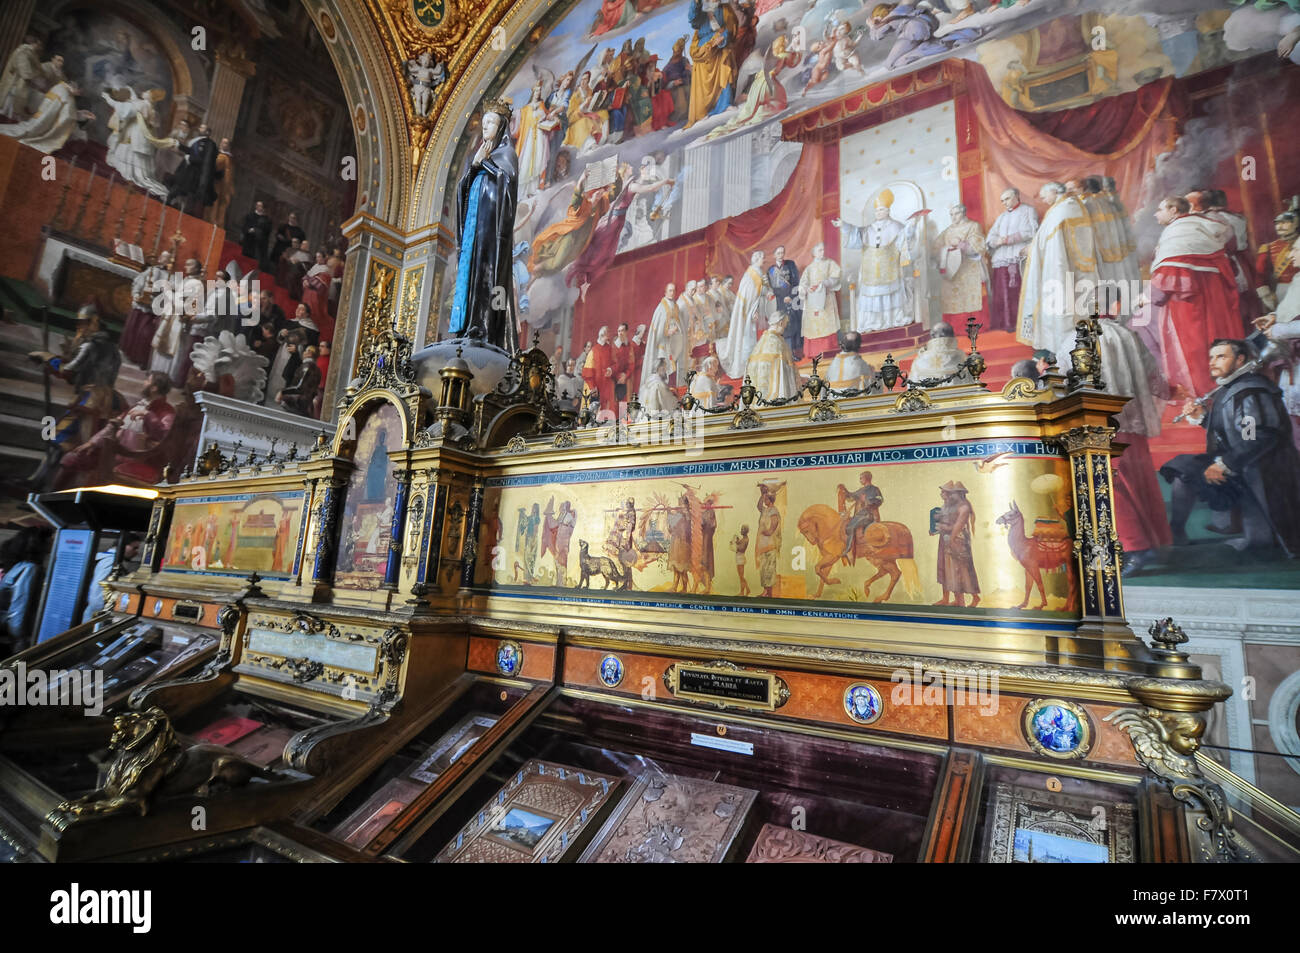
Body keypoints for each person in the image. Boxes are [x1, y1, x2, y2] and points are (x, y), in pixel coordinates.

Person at [1162, 339, 1300, 555]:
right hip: (1245, 462)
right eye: (1211, 357)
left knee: (1262, 546)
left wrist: (1225, 464)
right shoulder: (1230, 388)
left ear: (1240, 359)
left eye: (1221, 357)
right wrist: (1203, 419)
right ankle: (1176, 532)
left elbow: (1257, 438)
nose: (1212, 362)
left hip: (1264, 471)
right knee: (1183, 468)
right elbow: (1237, 434)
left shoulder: (1251, 391)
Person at [1063, 315, 1170, 572]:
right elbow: (1154, 377)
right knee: (1139, 482)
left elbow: (1066, 382)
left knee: (1110, 486)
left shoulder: (1073, 339)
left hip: (1099, 421)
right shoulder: (1127, 335)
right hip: (1132, 421)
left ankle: (1135, 547)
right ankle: (1152, 545)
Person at [1149, 195, 1241, 397]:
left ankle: (1201, 395)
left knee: (1195, 349)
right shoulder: (1202, 226)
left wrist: (1147, 297)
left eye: (1161, 209)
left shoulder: (1177, 232)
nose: (1157, 214)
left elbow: (1167, 281)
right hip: (1216, 301)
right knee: (1217, 341)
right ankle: (1224, 390)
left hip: (1189, 307)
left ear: (1174, 210)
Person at [449, 100, 519, 352]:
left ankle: (483, 326)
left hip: (491, 236)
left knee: (485, 276)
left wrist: (486, 162)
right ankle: (466, 325)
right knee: (469, 275)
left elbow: (505, 181)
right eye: (485, 123)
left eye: (492, 123)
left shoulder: (505, 154)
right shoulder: (481, 157)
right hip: (472, 233)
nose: (486, 127)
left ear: (501, 128)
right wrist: (475, 166)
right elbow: (463, 192)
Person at [27, 304, 122, 489]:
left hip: (89, 401)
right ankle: (37, 481)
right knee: (66, 441)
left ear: (94, 323)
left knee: (57, 439)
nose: (80, 328)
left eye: (83, 323)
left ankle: (40, 487)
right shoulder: (113, 349)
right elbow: (77, 372)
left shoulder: (89, 346)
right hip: (106, 401)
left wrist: (46, 357)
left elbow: (68, 371)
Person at [1018, 182, 1099, 353]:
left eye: (1045, 195)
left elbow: (1050, 241)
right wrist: (1033, 248)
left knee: (1064, 305)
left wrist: (1032, 249)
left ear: (1054, 191)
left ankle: (1065, 348)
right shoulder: (1063, 206)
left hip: (1060, 267)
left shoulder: (1065, 208)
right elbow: (1044, 238)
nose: (1044, 200)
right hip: (1058, 265)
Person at [834, 189, 917, 332]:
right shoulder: (869, 229)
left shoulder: (896, 226)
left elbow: (905, 240)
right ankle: (872, 323)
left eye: (881, 210)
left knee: (890, 294)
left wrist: (910, 228)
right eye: (877, 210)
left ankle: (893, 319)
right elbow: (856, 234)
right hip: (870, 269)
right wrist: (844, 226)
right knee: (871, 295)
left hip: (889, 267)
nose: (878, 212)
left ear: (888, 211)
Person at [986, 188, 1037, 333]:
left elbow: (1032, 231)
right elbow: (991, 237)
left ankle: (1021, 324)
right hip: (1002, 257)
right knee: (1003, 291)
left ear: (1016, 197)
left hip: (1018, 254)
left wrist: (1009, 239)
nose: (1004, 203)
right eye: (1002, 200)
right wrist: (996, 241)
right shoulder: (1001, 217)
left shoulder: (1028, 210)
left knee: (1018, 290)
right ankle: (1005, 323)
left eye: (1007, 199)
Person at [932, 203, 988, 332]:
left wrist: (962, 244)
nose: (953, 217)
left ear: (963, 213)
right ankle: (955, 328)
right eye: (951, 214)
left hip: (969, 268)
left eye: (956, 213)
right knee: (951, 297)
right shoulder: (948, 230)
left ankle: (974, 326)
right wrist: (946, 249)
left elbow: (979, 246)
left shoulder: (973, 226)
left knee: (971, 297)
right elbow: (936, 247)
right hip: (952, 270)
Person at [0, 76, 88, 153]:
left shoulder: (60, 86)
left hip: (41, 117)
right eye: (80, 92)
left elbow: (66, 111)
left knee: (26, 129)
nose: (79, 94)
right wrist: (82, 116)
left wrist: (80, 114)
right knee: (34, 137)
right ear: (77, 88)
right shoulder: (67, 96)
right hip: (45, 123)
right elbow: (67, 116)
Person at [686, 0, 739, 127]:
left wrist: (723, 37)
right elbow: (693, 20)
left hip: (720, 47)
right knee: (704, 85)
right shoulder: (701, 14)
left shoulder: (726, 9)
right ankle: (704, 112)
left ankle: (725, 104)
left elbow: (732, 27)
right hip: (704, 51)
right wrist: (696, 2)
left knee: (724, 70)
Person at [718, 251, 769, 378]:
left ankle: (752, 367)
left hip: (752, 311)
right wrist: (753, 312)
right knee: (748, 340)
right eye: (763, 258)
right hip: (747, 314)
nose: (764, 259)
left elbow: (759, 293)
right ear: (757, 259)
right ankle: (747, 368)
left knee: (752, 339)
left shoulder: (757, 272)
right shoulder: (752, 274)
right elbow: (750, 297)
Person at [0, 527, 50, 654]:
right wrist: (20, 643)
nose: (51, 545)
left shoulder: (19, 566)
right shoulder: (30, 569)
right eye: (48, 541)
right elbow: (19, 608)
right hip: (12, 637)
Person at [932, 480, 980, 608]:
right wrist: (936, 528)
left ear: (959, 494)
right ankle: (959, 600)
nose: (949, 495)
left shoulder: (964, 507)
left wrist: (949, 535)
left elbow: (958, 526)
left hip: (958, 541)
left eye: (952, 493)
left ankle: (974, 598)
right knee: (950, 570)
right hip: (947, 539)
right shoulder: (950, 506)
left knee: (962, 570)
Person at [120, 251, 172, 368]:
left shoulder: (171, 276)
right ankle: (128, 352)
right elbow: (138, 282)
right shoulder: (151, 270)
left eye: (168, 258)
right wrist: (137, 294)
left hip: (153, 310)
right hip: (142, 305)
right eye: (164, 257)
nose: (165, 260)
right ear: (159, 258)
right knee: (134, 330)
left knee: (145, 334)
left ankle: (140, 357)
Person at [81, 534, 140, 624]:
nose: (136, 552)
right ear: (123, 545)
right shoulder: (110, 561)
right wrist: (104, 613)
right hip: (97, 618)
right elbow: (98, 592)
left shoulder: (105, 558)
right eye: (134, 548)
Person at [799, 243, 843, 360]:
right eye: (819, 250)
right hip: (812, 300)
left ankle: (828, 349)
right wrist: (806, 288)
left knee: (827, 323)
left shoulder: (830, 264)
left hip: (826, 299)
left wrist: (824, 284)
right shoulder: (809, 268)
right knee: (813, 325)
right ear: (814, 253)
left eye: (823, 250)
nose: (822, 252)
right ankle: (813, 352)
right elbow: (802, 283)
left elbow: (836, 277)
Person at [165, 122, 220, 216]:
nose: (200, 129)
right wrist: (180, 146)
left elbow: (204, 160)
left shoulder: (209, 144)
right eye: (200, 127)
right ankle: (169, 204)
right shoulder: (197, 141)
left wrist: (190, 158)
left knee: (188, 194)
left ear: (207, 132)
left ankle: (184, 213)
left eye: (202, 128)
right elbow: (191, 151)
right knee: (178, 188)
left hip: (196, 173)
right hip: (189, 169)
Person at [643, 283, 687, 391]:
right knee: (664, 367)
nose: (672, 293)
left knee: (673, 367)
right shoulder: (662, 307)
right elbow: (658, 329)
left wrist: (677, 330)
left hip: (673, 343)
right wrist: (667, 332)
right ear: (665, 292)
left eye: (673, 291)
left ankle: (671, 391)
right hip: (663, 344)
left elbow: (678, 322)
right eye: (670, 290)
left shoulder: (675, 306)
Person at [746, 313, 801, 400]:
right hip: (775, 398)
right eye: (785, 324)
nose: (785, 327)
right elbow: (786, 371)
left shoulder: (762, 341)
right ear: (781, 323)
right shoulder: (778, 342)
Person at [1255, 204, 1299, 313]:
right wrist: (1265, 294)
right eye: (1277, 223)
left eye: (1284, 222)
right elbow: (1260, 274)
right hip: (1283, 290)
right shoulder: (1268, 248)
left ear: (1295, 223)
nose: (1280, 226)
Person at [841, 471, 884, 563]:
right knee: (847, 526)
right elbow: (851, 496)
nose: (860, 480)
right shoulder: (861, 490)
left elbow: (880, 500)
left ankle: (848, 551)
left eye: (861, 478)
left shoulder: (875, 489)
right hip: (859, 515)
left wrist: (867, 500)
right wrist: (845, 490)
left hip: (869, 515)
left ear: (866, 478)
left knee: (851, 526)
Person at [768, 245, 802, 359]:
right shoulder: (771, 270)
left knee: (793, 325)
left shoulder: (790, 265)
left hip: (792, 300)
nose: (781, 255)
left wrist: (791, 296)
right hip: (780, 301)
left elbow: (796, 282)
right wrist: (783, 297)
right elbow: (772, 287)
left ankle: (793, 353)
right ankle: (785, 355)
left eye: (782, 252)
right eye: (778, 253)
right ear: (774, 255)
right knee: (783, 326)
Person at [0, 34, 43, 119]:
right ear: (34, 44)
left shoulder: (31, 53)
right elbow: (23, 65)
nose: (40, 47)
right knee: (11, 97)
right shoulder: (24, 50)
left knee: (13, 100)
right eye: (38, 45)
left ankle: (7, 116)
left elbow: (36, 68)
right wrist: (30, 77)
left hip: (21, 79)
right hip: (17, 79)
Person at [755, 481, 783, 597]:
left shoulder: (773, 511)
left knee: (769, 568)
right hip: (763, 544)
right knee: (763, 568)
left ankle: (769, 592)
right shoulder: (765, 510)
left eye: (766, 498)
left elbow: (772, 527)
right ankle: (765, 590)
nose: (764, 500)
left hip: (770, 544)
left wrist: (765, 532)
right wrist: (762, 493)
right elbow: (758, 506)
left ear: (770, 500)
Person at [279, 345, 321, 417]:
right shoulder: (314, 368)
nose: (303, 352)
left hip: (298, 403)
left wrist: (283, 392)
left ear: (309, 353)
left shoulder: (307, 367)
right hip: (303, 403)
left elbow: (300, 387)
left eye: (306, 351)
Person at [582, 325, 616, 412]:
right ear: (601, 336)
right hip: (596, 387)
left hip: (607, 387)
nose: (608, 337)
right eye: (606, 334)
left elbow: (616, 364)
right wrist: (592, 387)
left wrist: (611, 369)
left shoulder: (610, 349)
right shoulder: (594, 351)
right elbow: (587, 372)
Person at [207, 137, 235, 227]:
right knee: (213, 205)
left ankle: (215, 224)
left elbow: (229, 174)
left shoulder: (227, 158)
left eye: (225, 143)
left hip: (223, 186)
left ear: (228, 146)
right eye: (222, 142)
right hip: (216, 184)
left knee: (220, 207)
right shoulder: (219, 155)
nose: (223, 144)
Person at [240, 200, 273, 270]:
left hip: (258, 245)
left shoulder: (267, 220)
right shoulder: (250, 215)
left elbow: (267, 232)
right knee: (243, 263)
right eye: (257, 205)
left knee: (253, 265)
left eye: (260, 205)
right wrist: (249, 230)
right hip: (248, 241)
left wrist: (258, 231)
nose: (258, 207)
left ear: (263, 208)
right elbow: (244, 226)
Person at [731, 524, 751, 596]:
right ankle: (747, 589)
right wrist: (735, 541)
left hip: (740, 558)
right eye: (741, 529)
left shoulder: (745, 539)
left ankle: (743, 592)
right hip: (739, 558)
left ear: (746, 531)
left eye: (743, 529)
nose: (741, 530)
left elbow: (741, 548)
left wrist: (735, 545)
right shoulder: (743, 539)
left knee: (741, 576)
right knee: (741, 576)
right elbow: (739, 543)